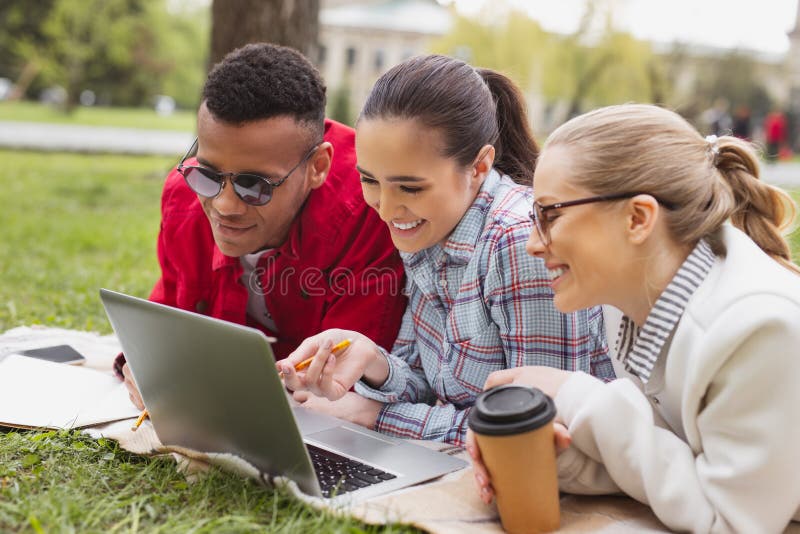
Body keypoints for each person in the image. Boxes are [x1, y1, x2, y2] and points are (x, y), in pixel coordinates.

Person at [468, 104, 800, 532]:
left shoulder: (758, 328)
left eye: (550, 215)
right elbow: (674, 461)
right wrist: (555, 455)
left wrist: (581, 397)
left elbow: (731, 522)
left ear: (638, 218)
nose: (533, 243)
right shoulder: (628, 300)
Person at [279, 55, 613, 446]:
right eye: (370, 180)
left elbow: (538, 429)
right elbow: (425, 383)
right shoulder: (428, 226)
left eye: (411, 187)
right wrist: (371, 361)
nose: (385, 209)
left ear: (479, 166)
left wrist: (377, 416)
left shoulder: (519, 243)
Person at [117, 43, 407, 409]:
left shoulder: (370, 207)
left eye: (254, 186)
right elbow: (163, 324)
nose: (223, 205)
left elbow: (342, 381)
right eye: (207, 173)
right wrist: (147, 367)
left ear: (318, 167)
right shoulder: (184, 198)